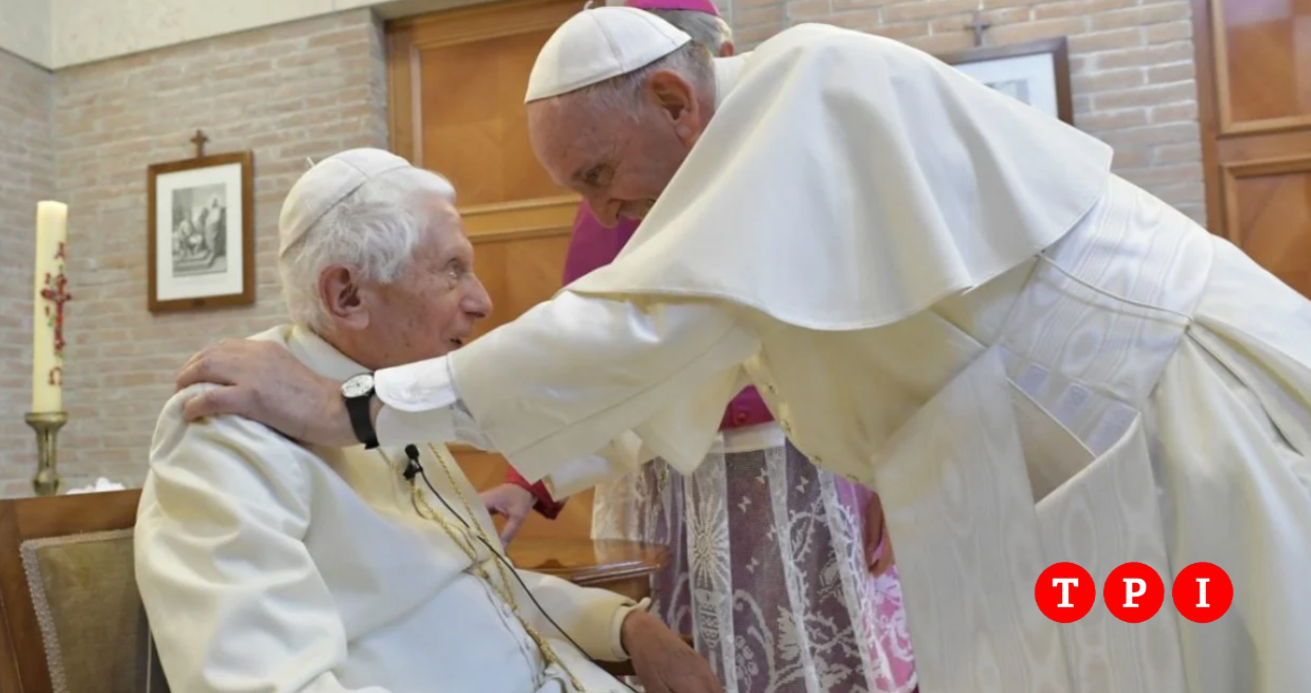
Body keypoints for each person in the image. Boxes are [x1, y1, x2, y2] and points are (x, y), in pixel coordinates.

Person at [175, 10, 1311, 693]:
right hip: (1035, 454)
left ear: (675, 98)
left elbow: (640, 333)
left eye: (598, 179)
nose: (607, 219)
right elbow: (677, 371)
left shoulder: (806, 87)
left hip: (1146, 411)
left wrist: (366, 407)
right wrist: (531, 472)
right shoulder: (228, 453)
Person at [136, 148, 721, 693]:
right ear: (347, 295)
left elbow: (481, 585)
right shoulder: (227, 432)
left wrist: (623, 626)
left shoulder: (395, 395)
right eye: (451, 269)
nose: (482, 300)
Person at [480, 2, 917, 691]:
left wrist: (897, 457)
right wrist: (527, 477)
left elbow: (883, 311)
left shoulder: (798, 141)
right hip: (664, 473)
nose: (599, 205)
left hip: (796, 462)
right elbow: (597, 358)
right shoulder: (620, 193)